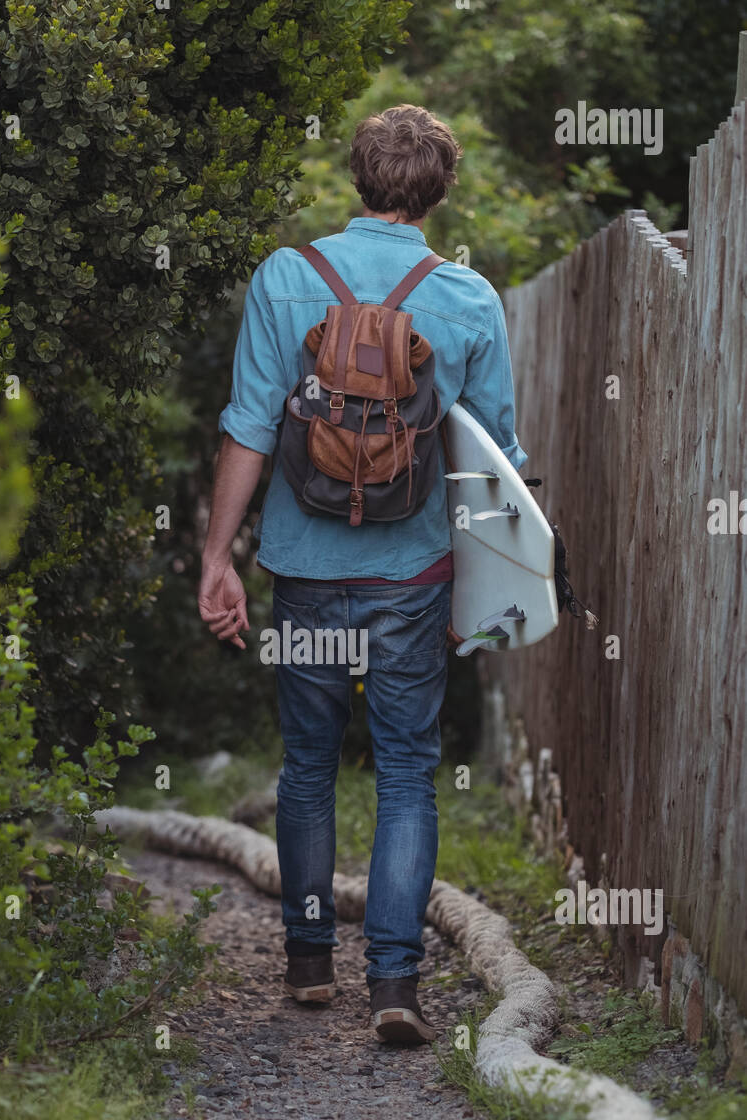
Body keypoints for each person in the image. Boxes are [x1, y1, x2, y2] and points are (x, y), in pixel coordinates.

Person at [199, 105, 526, 1043]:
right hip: (413, 577)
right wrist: (486, 593)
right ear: (439, 189)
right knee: (409, 776)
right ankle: (395, 986)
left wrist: (219, 555)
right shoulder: (467, 299)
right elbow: (493, 462)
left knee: (307, 766)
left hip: (304, 568)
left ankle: (308, 963)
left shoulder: (286, 278)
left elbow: (250, 427)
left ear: (358, 176)